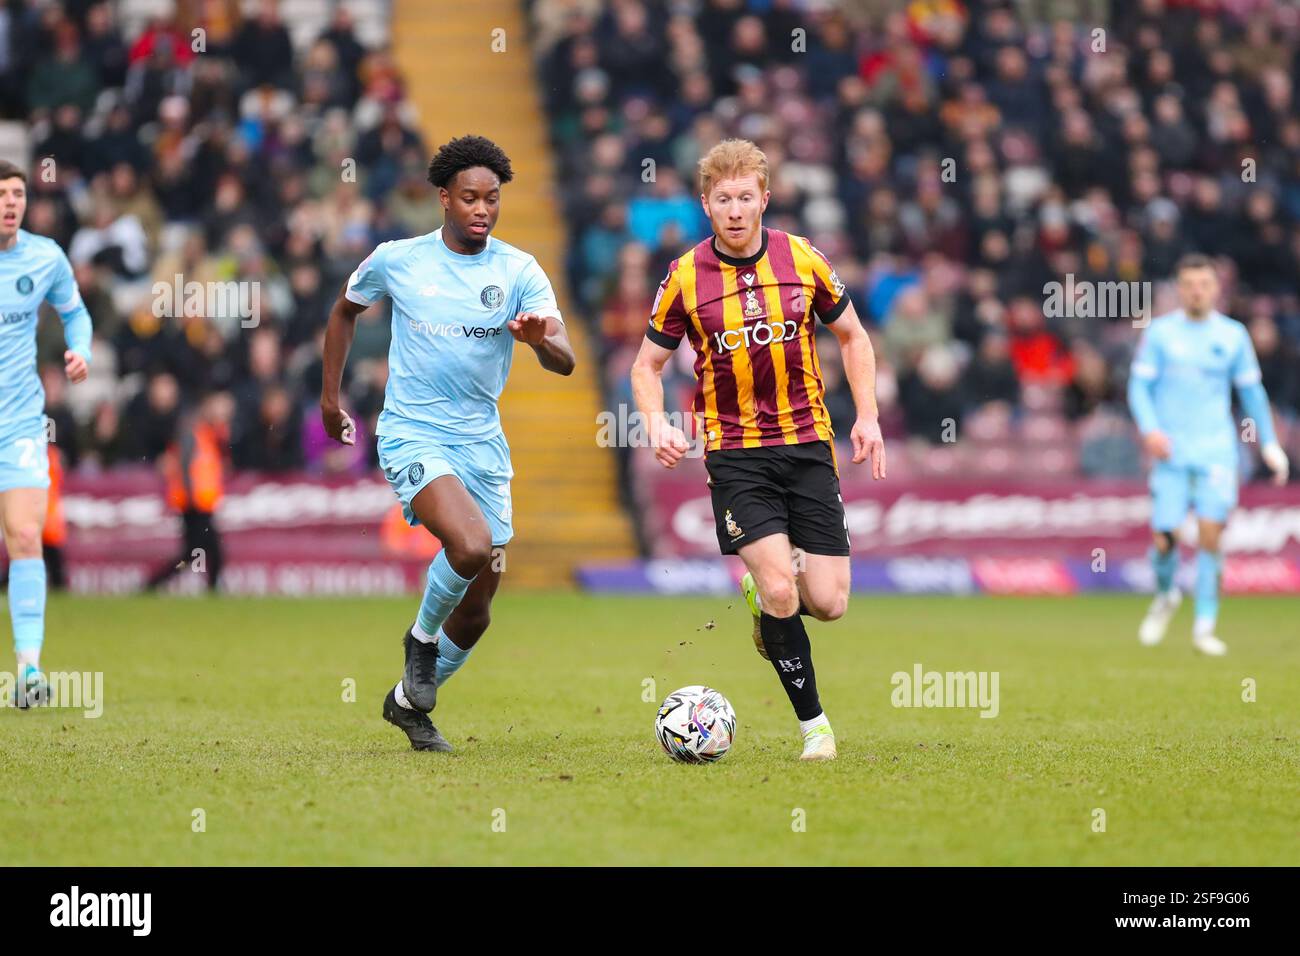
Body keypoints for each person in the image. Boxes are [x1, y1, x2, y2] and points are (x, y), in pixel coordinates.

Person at [630, 139, 886, 761]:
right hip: (736, 454)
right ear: (706, 205)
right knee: (780, 591)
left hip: (807, 446)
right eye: (724, 200)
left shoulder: (802, 258)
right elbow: (647, 364)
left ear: (765, 199)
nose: (737, 210)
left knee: (828, 602)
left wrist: (869, 416)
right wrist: (656, 423)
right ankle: (815, 728)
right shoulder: (686, 276)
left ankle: (763, 600)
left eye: (747, 198)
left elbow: (853, 335)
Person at [320, 135, 575, 752]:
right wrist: (330, 400)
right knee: (469, 543)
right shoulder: (398, 259)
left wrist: (539, 339)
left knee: (480, 608)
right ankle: (420, 641)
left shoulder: (518, 271)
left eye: (492, 199)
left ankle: (407, 703)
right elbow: (343, 312)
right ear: (444, 199)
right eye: (470, 198)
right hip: (412, 430)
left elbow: (564, 360)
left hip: (482, 444)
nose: (482, 209)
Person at [1128, 254, 1289, 655]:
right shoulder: (1161, 334)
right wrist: (1150, 430)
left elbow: (1251, 392)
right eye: (1188, 284)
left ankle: (1204, 626)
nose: (1196, 290)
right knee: (1164, 539)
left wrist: (1267, 442)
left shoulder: (1233, 335)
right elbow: (1138, 388)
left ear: (1217, 289)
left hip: (1217, 451)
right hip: (1170, 453)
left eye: (1203, 283)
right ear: (1179, 289)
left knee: (1209, 536)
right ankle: (1166, 595)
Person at [0, 160, 93, 706]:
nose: (11, 202)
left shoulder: (44, 256)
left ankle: (28, 670)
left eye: (17, 194)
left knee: (25, 534)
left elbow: (75, 312)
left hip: (19, 425)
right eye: (2, 194)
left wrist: (79, 349)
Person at [146, 391, 230, 593]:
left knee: (197, 552)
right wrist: (191, 497)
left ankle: (158, 583)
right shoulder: (192, 433)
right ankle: (158, 583)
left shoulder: (206, 434)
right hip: (194, 504)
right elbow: (184, 468)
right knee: (205, 552)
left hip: (201, 503)